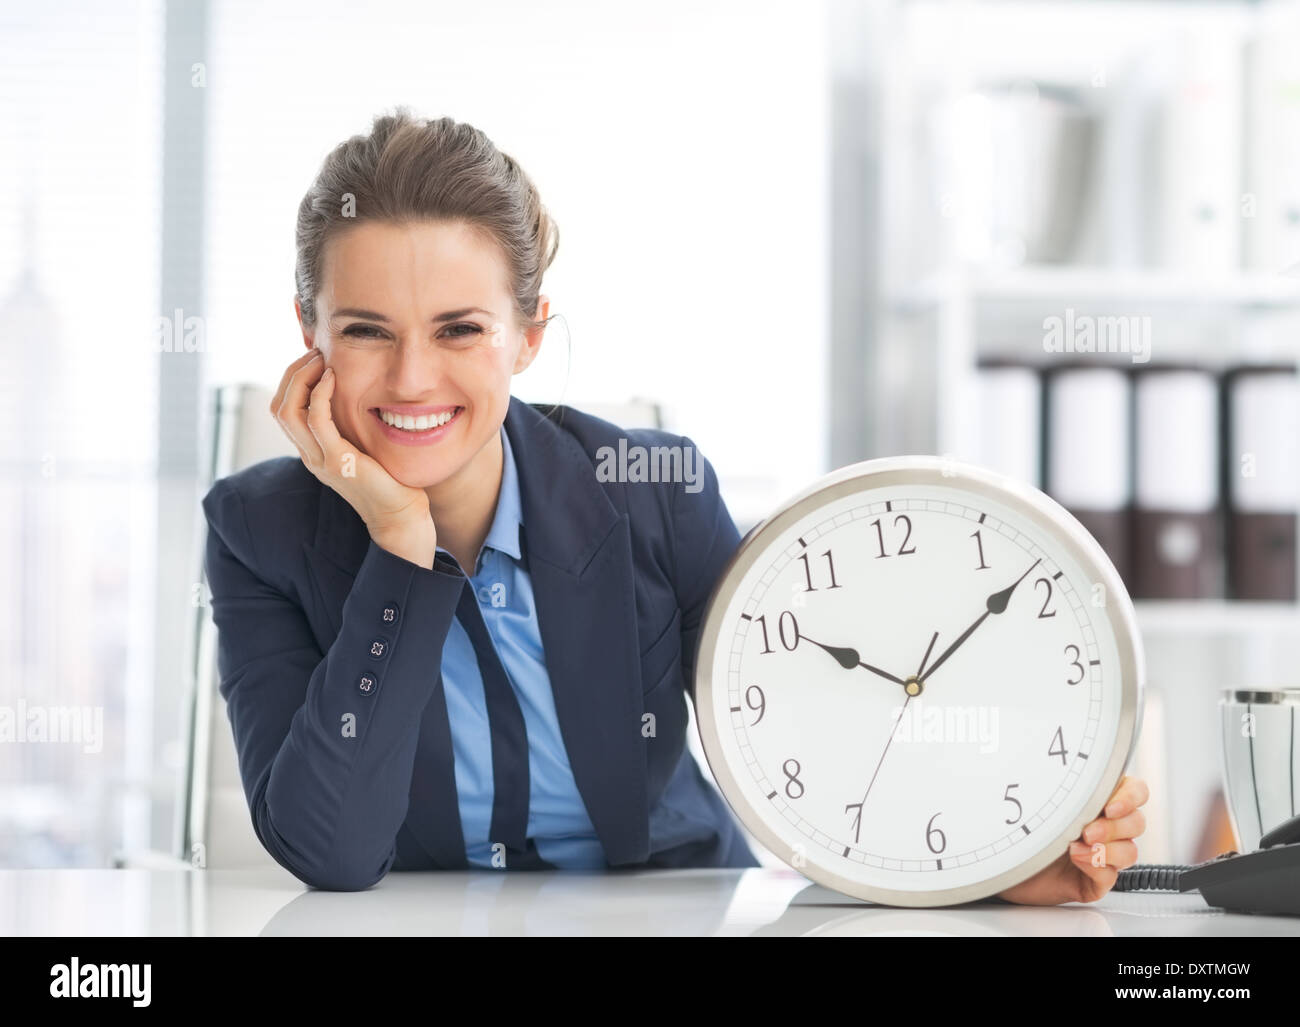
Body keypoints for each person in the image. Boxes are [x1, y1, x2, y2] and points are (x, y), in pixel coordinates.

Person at [201, 109, 1148, 898]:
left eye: (461, 329)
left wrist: (996, 863)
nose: (412, 379)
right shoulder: (256, 530)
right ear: (309, 332)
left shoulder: (655, 495)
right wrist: (402, 549)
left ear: (528, 336)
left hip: (671, 915)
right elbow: (329, 851)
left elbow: (828, 722)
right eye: (368, 330)